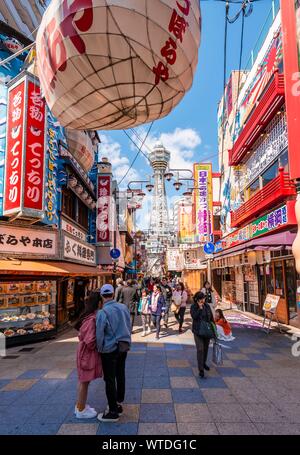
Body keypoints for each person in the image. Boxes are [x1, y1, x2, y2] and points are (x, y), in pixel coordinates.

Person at [96, 284, 131, 422]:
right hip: (123, 347)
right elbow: (129, 325)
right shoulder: (123, 307)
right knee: (120, 373)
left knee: (109, 379)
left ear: (102, 296)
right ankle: (119, 402)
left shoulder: (102, 312)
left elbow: (99, 334)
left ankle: (112, 410)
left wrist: (100, 349)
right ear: (113, 294)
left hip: (109, 349)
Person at [74, 291, 102, 419]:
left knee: (83, 381)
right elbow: (90, 340)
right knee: (84, 382)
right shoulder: (92, 319)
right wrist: (99, 346)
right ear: (98, 303)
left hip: (83, 352)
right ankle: (81, 410)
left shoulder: (88, 316)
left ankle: (80, 405)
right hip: (87, 354)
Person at [191, 291, 215, 378]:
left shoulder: (207, 306)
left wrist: (214, 330)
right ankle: (201, 369)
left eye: (203, 298)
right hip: (197, 331)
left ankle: (203, 363)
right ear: (197, 299)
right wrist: (199, 308)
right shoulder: (194, 306)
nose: (202, 300)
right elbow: (194, 316)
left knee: (205, 349)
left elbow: (211, 318)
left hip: (207, 330)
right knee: (200, 349)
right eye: (201, 299)